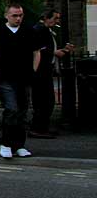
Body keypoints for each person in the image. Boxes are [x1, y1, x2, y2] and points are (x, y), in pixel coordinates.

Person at [0, 3, 43, 159]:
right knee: (11, 109)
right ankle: (6, 143)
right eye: (15, 15)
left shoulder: (29, 31)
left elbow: (36, 53)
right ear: (6, 15)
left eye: (20, 15)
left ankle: (19, 144)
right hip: (5, 76)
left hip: (24, 76)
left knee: (22, 111)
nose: (18, 18)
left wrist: (33, 71)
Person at [30, 8, 75, 138]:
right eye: (55, 18)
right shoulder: (40, 30)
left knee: (46, 100)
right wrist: (57, 52)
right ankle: (38, 128)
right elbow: (40, 50)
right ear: (46, 18)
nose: (57, 21)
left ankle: (42, 126)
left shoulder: (45, 30)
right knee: (44, 100)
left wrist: (62, 50)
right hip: (41, 71)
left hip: (45, 69)